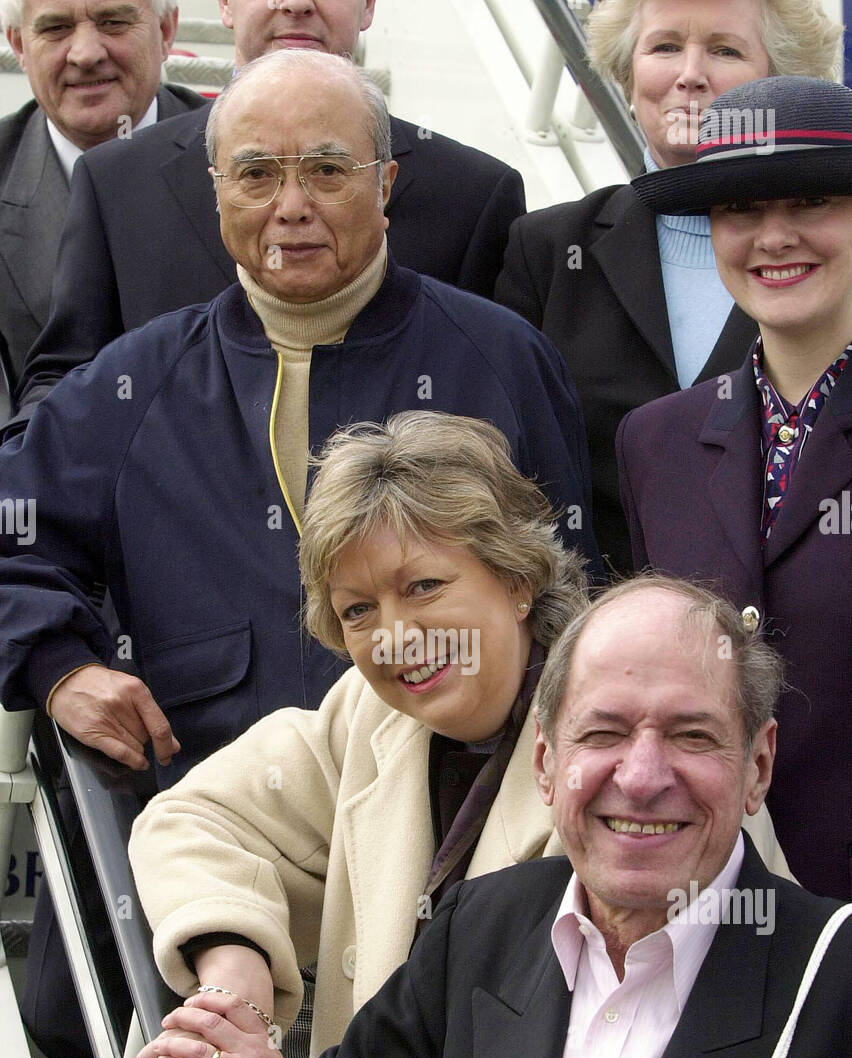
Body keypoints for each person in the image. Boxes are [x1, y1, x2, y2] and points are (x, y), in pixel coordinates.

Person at [129, 428, 787, 1058]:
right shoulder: (370, 719)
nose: (394, 637)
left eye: (424, 586)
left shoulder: (631, 779)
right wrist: (237, 982)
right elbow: (190, 819)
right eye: (358, 609)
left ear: (517, 580)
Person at [0, 49, 599, 790]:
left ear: (385, 184)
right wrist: (61, 670)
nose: (290, 206)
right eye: (255, 175)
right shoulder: (135, 382)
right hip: (202, 815)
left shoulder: (503, 359)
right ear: (216, 193)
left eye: (326, 170)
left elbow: (572, 596)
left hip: (456, 817)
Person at [6, 0, 526, 432]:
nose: (295, 4)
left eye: (329, 169)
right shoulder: (116, 179)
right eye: (254, 174)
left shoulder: (475, 194)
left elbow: (495, 403)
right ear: (225, 4)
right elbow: (65, 378)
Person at [494, 0, 841, 575]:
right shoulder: (547, 248)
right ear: (626, 77)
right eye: (665, 47)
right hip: (597, 632)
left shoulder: (831, 260)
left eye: (726, 49)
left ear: (781, 83)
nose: (690, 73)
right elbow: (511, 469)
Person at [619, 75, 852, 902]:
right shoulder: (657, 441)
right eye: (740, 209)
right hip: (710, 918)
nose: (773, 236)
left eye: (813, 201)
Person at [0, 0, 204, 409]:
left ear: (166, 31)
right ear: (19, 44)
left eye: (113, 22)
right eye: (56, 28)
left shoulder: (241, 161)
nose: (86, 54)